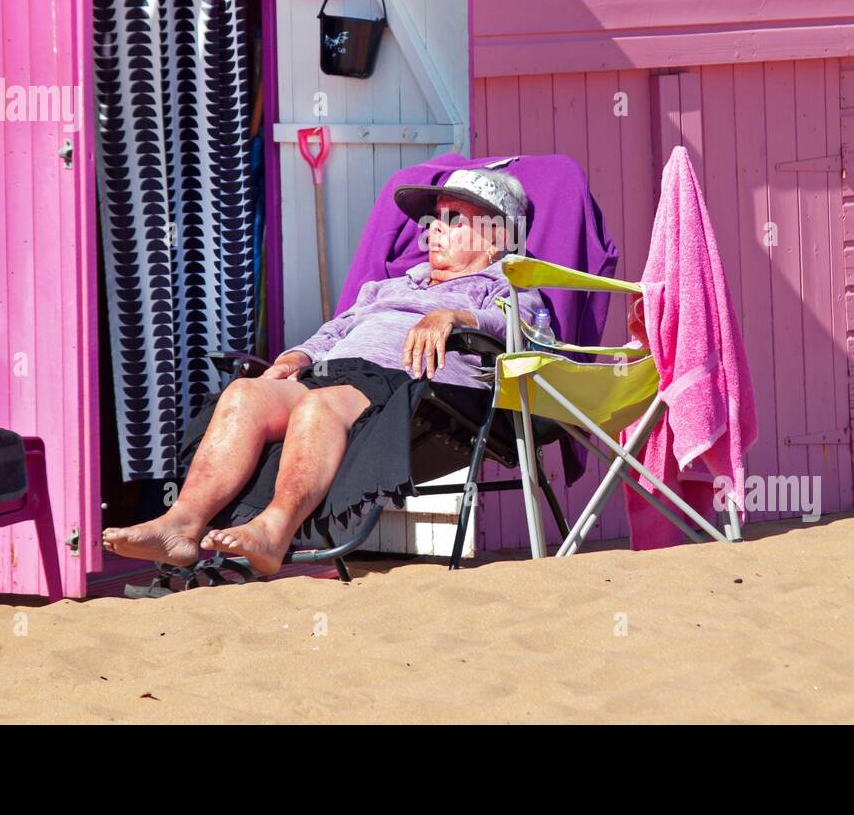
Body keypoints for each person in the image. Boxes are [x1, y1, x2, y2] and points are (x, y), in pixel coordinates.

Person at [102, 168, 545, 576]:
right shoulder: (389, 287)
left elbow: (526, 330)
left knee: (318, 406)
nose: (434, 230)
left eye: (453, 219)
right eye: (434, 220)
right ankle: (180, 525)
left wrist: (455, 316)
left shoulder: (507, 284)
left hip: (416, 395)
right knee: (244, 393)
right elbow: (332, 333)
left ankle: (273, 530)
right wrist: (295, 358)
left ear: (496, 236)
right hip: (336, 374)